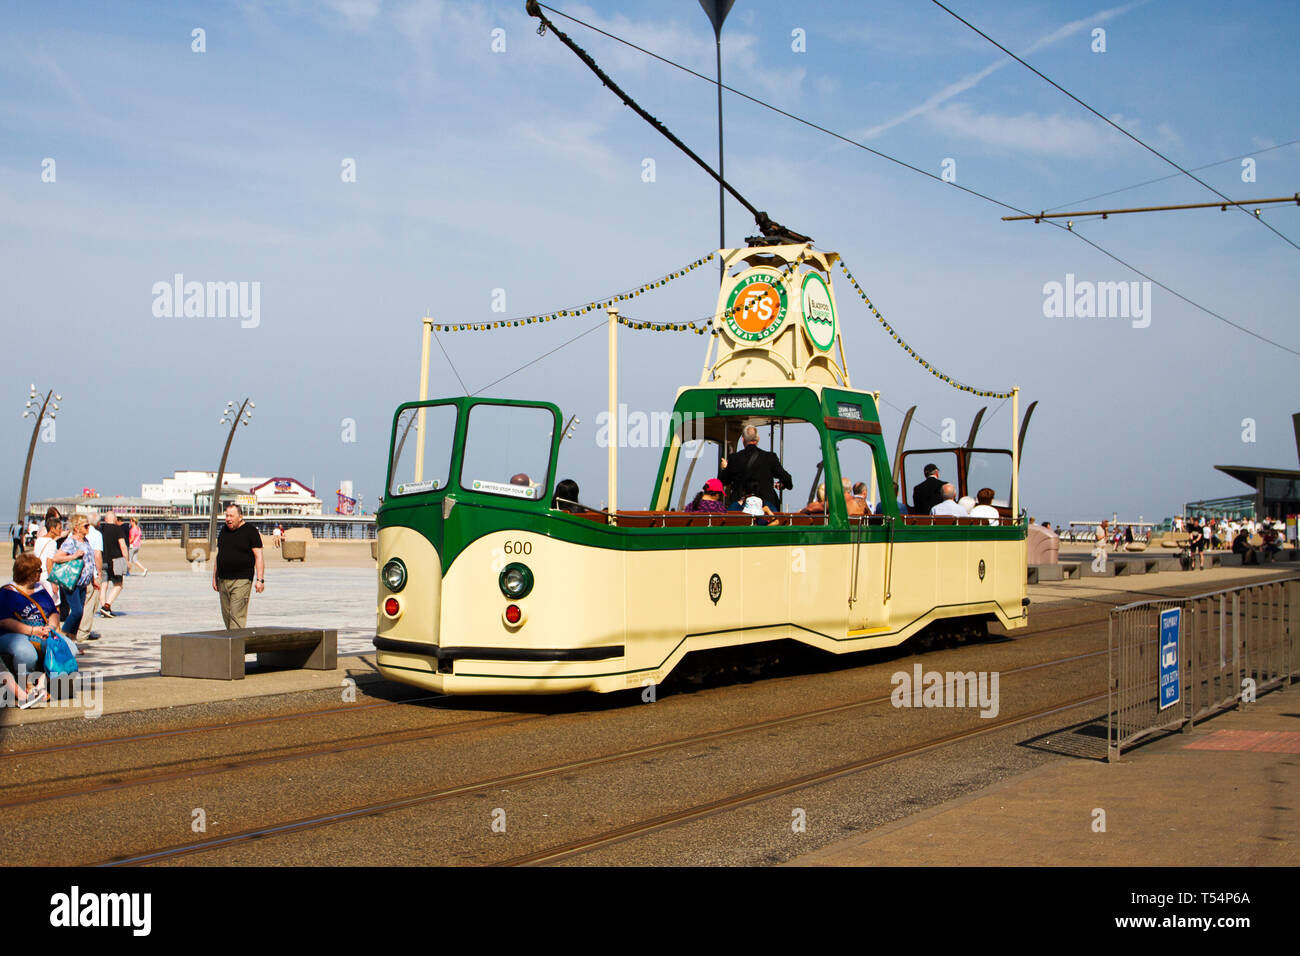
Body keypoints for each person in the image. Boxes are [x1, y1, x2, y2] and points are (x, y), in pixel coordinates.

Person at [0, 554, 63, 704]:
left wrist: (51, 627)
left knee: (67, 648)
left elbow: (53, 612)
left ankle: (41, 684)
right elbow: (4, 621)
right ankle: (27, 686)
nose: (41, 573)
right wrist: (32, 630)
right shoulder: (7, 593)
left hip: (43, 630)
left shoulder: (40, 589)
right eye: (38, 570)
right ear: (28, 574)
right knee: (26, 653)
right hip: (16, 633)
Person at [212, 504, 264, 630]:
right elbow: (219, 555)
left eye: (231, 516)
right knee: (227, 616)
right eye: (226, 516)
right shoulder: (224, 530)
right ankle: (233, 644)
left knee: (236, 616)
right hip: (223, 580)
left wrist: (260, 580)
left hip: (242, 580)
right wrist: (214, 577)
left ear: (240, 517)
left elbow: (259, 556)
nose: (228, 519)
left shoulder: (250, 531)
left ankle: (235, 646)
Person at [718, 425, 793, 512]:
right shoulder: (769, 457)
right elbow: (787, 480)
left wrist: (725, 468)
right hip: (767, 508)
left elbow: (722, 481)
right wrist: (782, 484)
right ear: (758, 439)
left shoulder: (734, 458)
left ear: (743, 439)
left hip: (740, 509)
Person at [51, 514, 98, 643]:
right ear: (76, 528)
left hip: (83, 583)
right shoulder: (70, 542)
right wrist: (74, 556)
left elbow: (90, 561)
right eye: (86, 525)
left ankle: (72, 641)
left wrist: (93, 579)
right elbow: (57, 558)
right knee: (76, 611)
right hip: (72, 582)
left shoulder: (86, 541)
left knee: (81, 613)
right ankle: (61, 638)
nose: (88, 528)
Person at [98, 512, 130, 618]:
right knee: (118, 584)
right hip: (115, 560)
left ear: (105, 519)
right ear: (115, 519)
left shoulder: (100, 529)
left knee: (103, 585)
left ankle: (103, 607)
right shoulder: (118, 529)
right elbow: (123, 546)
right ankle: (106, 606)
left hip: (102, 560)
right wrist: (127, 560)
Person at [32, 516, 62, 599]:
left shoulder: (39, 540)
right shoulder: (52, 542)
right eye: (59, 528)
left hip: (38, 575)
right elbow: (49, 562)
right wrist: (54, 582)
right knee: (54, 604)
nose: (61, 530)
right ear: (52, 529)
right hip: (47, 575)